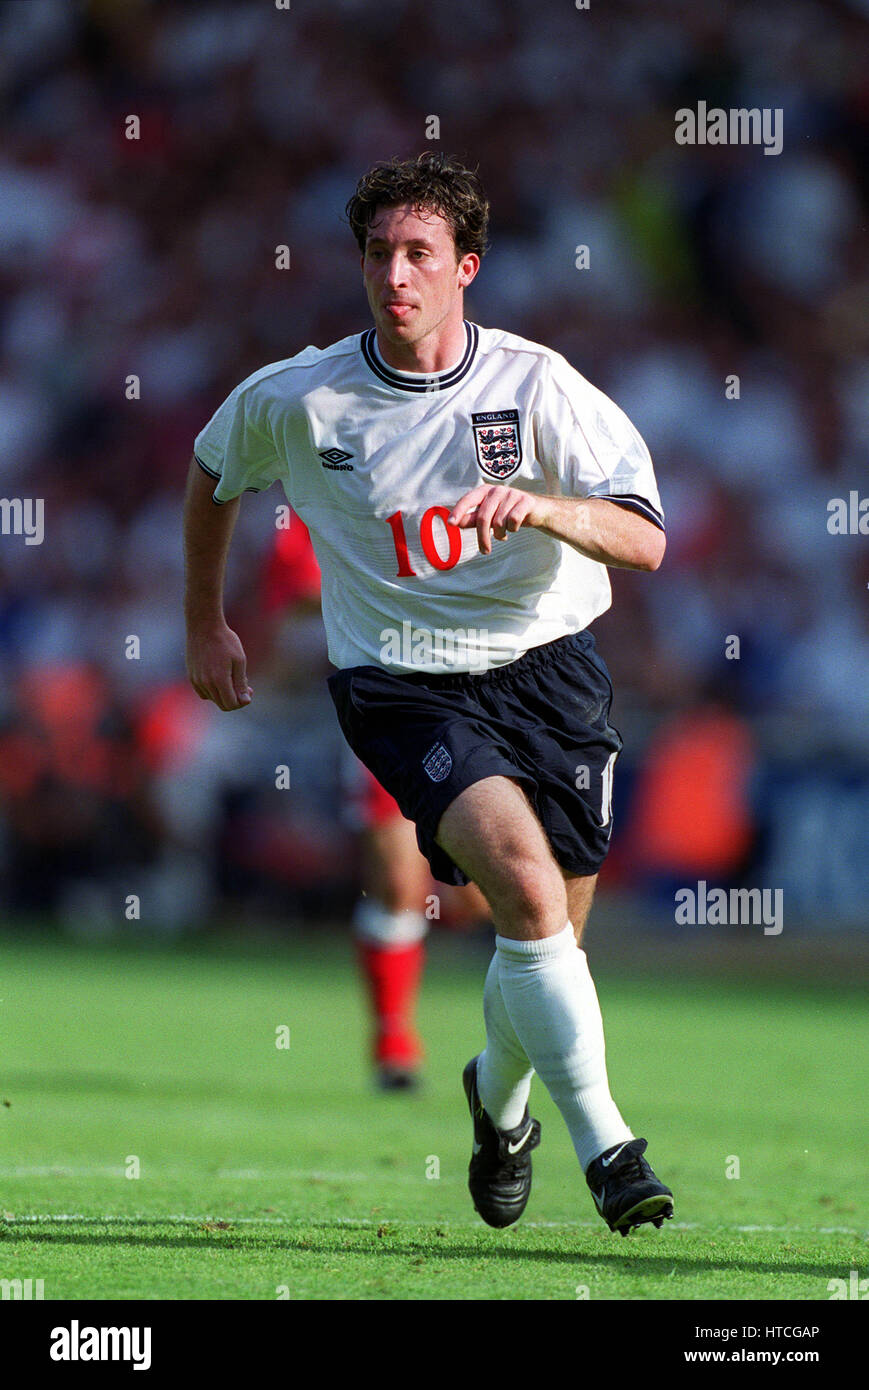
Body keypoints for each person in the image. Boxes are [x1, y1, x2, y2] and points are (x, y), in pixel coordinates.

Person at [184, 151, 674, 1236]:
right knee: (524, 893)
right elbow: (211, 471)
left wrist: (546, 508)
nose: (393, 274)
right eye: (376, 252)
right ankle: (607, 1145)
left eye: (418, 254)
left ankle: (496, 1105)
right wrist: (202, 619)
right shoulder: (300, 397)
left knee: (541, 939)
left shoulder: (537, 386)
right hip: (402, 684)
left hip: (551, 674)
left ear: (467, 269)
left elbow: (642, 536)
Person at [260, 517, 490, 1090]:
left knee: (476, 900)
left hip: (486, 699)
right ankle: (394, 1041)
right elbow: (293, 602)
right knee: (397, 883)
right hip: (387, 700)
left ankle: (514, 1049)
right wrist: (377, 596)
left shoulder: (480, 474)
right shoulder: (326, 489)